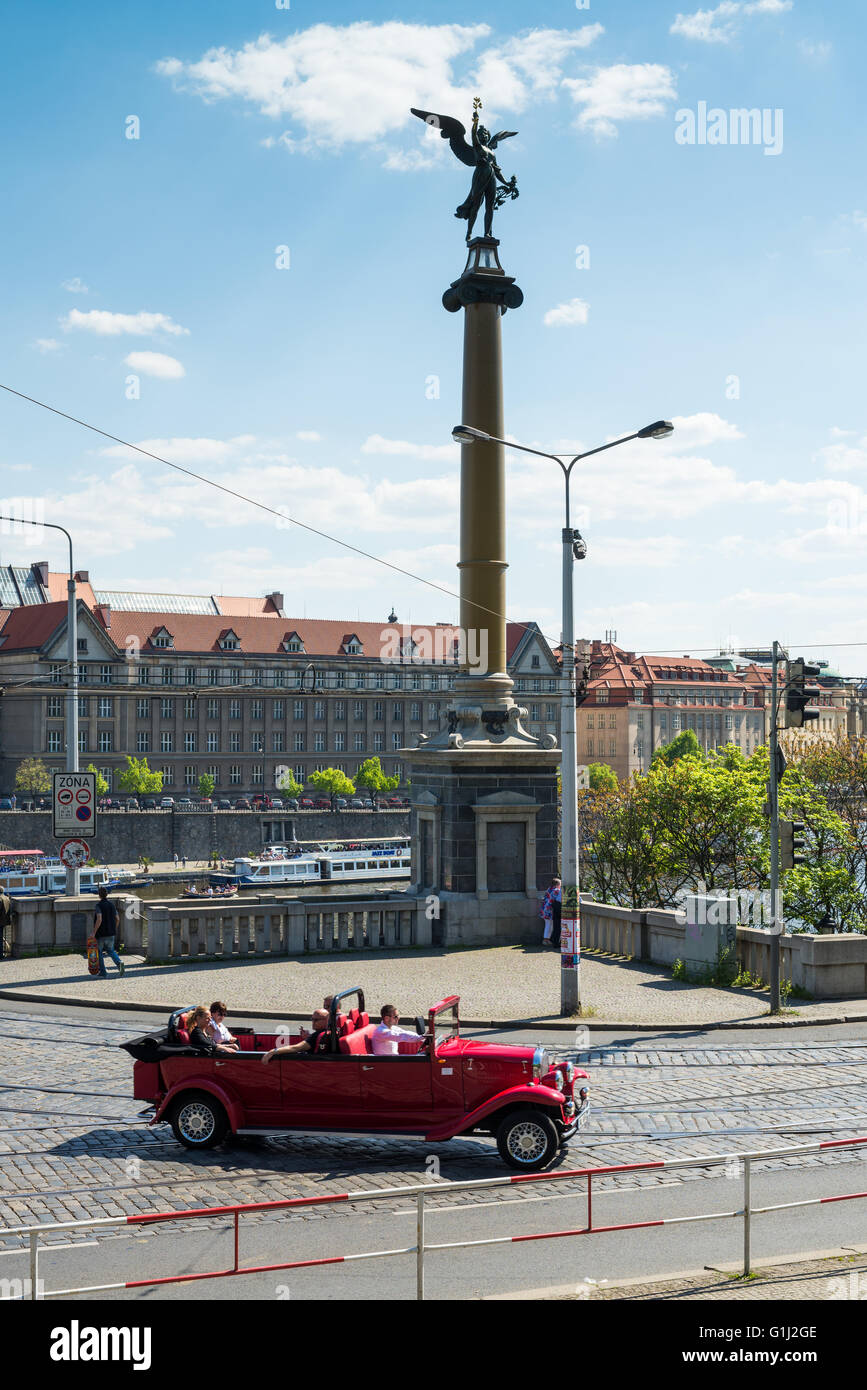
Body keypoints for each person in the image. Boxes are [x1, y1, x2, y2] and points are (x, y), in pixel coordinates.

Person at [261, 1008, 330, 1062]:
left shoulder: (317, 1035)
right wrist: (308, 1037)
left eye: (316, 1020)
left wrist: (272, 1052)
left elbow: (296, 1048)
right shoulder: (328, 1031)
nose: (313, 1022)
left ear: (327, 1020)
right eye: (312, 1019)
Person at [92, 886, 125, 978]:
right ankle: (119, 963)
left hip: (101, 933)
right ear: (107, 894)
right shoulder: (112, 905)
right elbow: (117, 918)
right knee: (110, 950)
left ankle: (103, 972)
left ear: (99, 895)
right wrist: (114, 928)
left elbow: (99, 918)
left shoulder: (98, 905)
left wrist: (94, 932)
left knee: (99, 952)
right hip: (111, 933)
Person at [540, 877, 562, 948]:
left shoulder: (549, 889)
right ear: (557, 884)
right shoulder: (556, 890)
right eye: (560, 884)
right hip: (550, 910)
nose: (560, 886)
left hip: (544, 909)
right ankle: (546, 940)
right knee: (549, 925)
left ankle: (547, 939)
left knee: (548, 924)